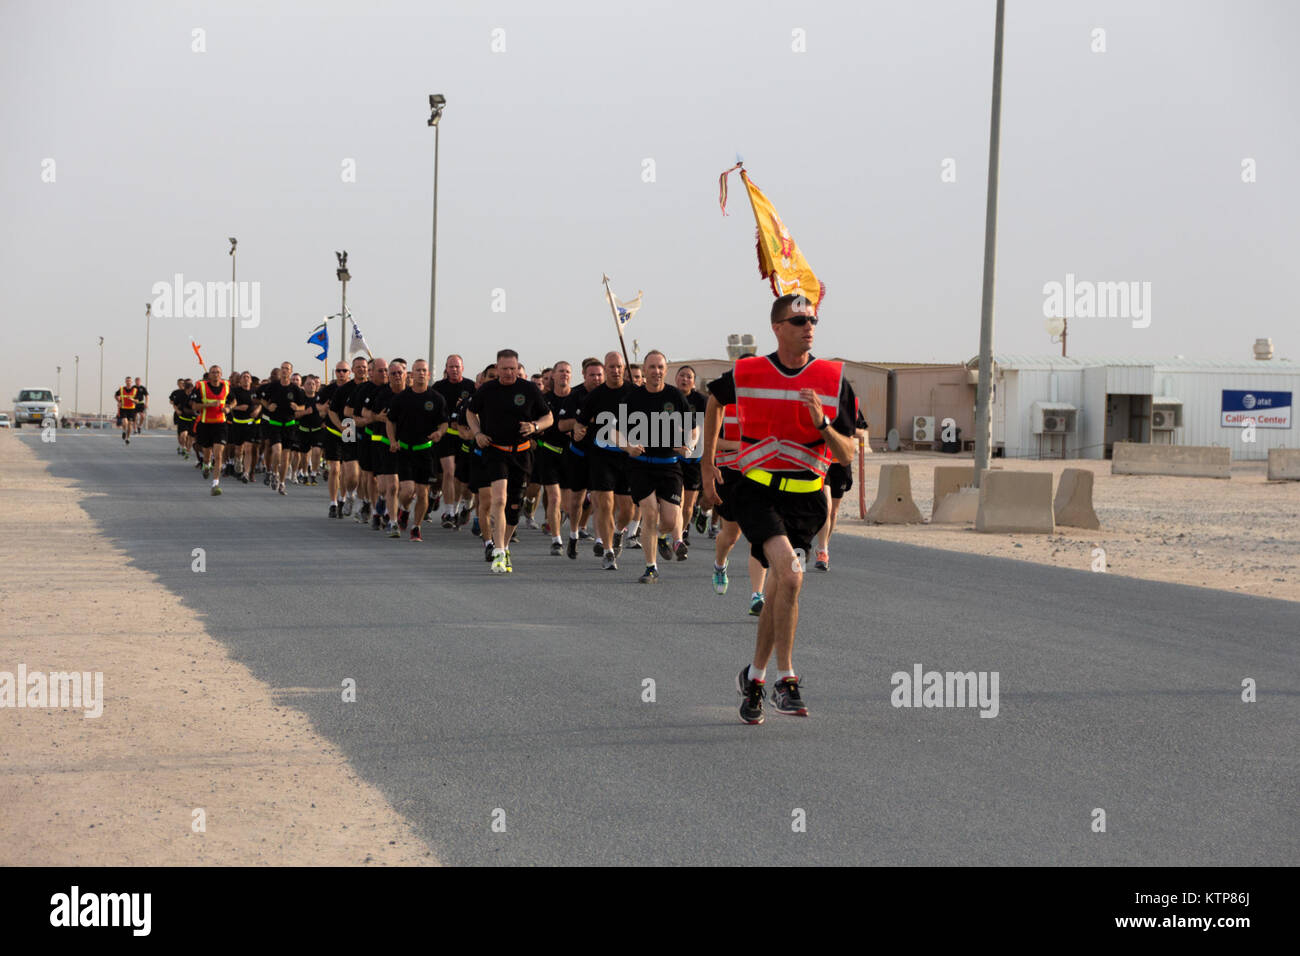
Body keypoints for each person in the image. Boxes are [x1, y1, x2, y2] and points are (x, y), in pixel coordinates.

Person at [701, 294, 858, 724]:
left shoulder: (832, 379)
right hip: (755, 490)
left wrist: (821, 423)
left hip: (807, 497)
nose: (809, 326)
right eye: (799, 320)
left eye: (813, 320)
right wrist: (706, 463)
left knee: (779, 590)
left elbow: (845, 454)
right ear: (777, 327)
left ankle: (753, 680)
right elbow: (714, 401)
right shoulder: (749, 370)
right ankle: (785, 680)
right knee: (789, 574)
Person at [465, 350, 552, 574]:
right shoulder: (488, 389)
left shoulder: (529, 389)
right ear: (498, 367)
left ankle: (504, 542)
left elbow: (548, 417)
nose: (508, 373)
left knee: (514, 508)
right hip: (496, 451)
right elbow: (470, 412)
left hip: (522, 454)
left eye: (513, 368)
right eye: (504, 369)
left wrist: (534, 427)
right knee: (499, 499)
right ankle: (499, 552)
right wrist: (477, 434)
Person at [621, 350, 696, 583]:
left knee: (671, 520)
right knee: (650, 512)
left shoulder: (675, 396)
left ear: (666, 370)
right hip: (641, 465)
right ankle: (651, 567)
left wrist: (689, 444)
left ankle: (664, 537)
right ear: (644, 370)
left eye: (660, 367)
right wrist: (628, 446)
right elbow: (615, 430)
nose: (656, 371)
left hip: (669, 465)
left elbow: (694, 428)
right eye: (652, 367)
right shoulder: (633, 398)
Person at [574, 351, 635, 570]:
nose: (616, 370)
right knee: (605, 504)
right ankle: (608, 551)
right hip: (601, 455)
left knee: (627, 510)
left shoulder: (634, 392)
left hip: (627, 456)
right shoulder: (595, 395)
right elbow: (580, 422)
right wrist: (578, 431)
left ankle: (618, 532)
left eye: (619, 367)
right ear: (606, 369)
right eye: (611, 367)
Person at [384, 358, 448, 542]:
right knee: (406, 491)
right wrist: (392, 440)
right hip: (405, 450)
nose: (421, 373)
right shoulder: (401, 398)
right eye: (417, 370)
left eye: (424, 370)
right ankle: (404, 509)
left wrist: (439, 433)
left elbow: (444, 422)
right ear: (411, 373)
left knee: (422, 493)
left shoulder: (436, 398)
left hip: (426, 451)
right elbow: (390, 420)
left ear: (428, 374)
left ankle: (416, 527)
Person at [814, 403, 870, 570]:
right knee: (826, 505)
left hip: (841, 461)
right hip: (821, 459)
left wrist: (840, 431)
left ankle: (823, 548)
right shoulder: (818, 401)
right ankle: (823, 550)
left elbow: (863, 432)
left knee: (833, 511)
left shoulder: (849, 402)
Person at [558, 358, 603, 559]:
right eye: (592, 375)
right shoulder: (574, 395)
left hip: (603, 456)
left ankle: (602, 541)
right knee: (576, 501)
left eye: (599, 374)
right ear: (584, 375)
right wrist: (579, 423)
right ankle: (574, 535)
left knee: (602, 500)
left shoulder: (609, 396)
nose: (596, 378)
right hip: (578, 455)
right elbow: (561, 425)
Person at [676, 365, 710, 545]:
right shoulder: (670, 398)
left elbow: (710, 428)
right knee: (676, 500)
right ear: (675, 379)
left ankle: (684, 529)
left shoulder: (702, 401)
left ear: (693, 381)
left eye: (689, 377)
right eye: (681, 375)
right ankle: (676, 534)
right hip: (672, 457)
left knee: (689, 504)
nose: (685, 379)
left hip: (695, 457)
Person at [190, 364, 234, 495]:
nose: (216, 374)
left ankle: (215, 484)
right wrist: (208, 405)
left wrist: (228, 408)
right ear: (209, 375)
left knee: (219, 454)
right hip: (205, 424)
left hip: (220, 424)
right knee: (207, 454)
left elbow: (234, 401)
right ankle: (206, 465)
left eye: (218, 372)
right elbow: (193, 406)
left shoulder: (226, 386)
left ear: (221, 374)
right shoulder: (200, 386)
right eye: (213, 372)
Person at [114, 376, 137, 444]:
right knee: (125, 422)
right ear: (125, 382)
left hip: (131, 409)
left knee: (130, 425)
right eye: (127, 381)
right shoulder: (121, 389)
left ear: (131, 382)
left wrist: (133, 400)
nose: (128, 382)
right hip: (123, 408)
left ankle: (128, 438)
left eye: (129, 381)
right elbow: (115, 395)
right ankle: (124, 431)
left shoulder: (135, 390)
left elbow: (137, 401)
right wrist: (119, 402)